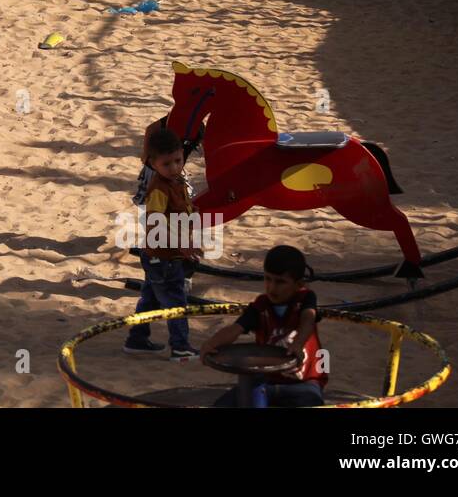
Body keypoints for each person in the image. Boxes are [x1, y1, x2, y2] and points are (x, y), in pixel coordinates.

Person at [202, 245, 328, 407]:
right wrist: (211, 344)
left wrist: (298, 343)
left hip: (303, 383)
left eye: (280, 282)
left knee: (311, 401)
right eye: (268, 279)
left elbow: (308, 320)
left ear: (298, 284)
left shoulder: (305, 299)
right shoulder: (261, 306)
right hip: (265, 381)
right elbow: (235, 329)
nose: (272, 287)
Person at [122, 127, 202, 360]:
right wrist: (181, 245)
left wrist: (191, 211)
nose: (174, 167)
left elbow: (179, 209)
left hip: (162, 255)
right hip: (163, 256)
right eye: (167, 164)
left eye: (178, 161)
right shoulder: (159, 188)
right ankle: (180, 346)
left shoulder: (176, 180)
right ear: (152, 164)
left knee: (152, 298)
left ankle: (137, 339)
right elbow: (155, 223)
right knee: (175, 300)